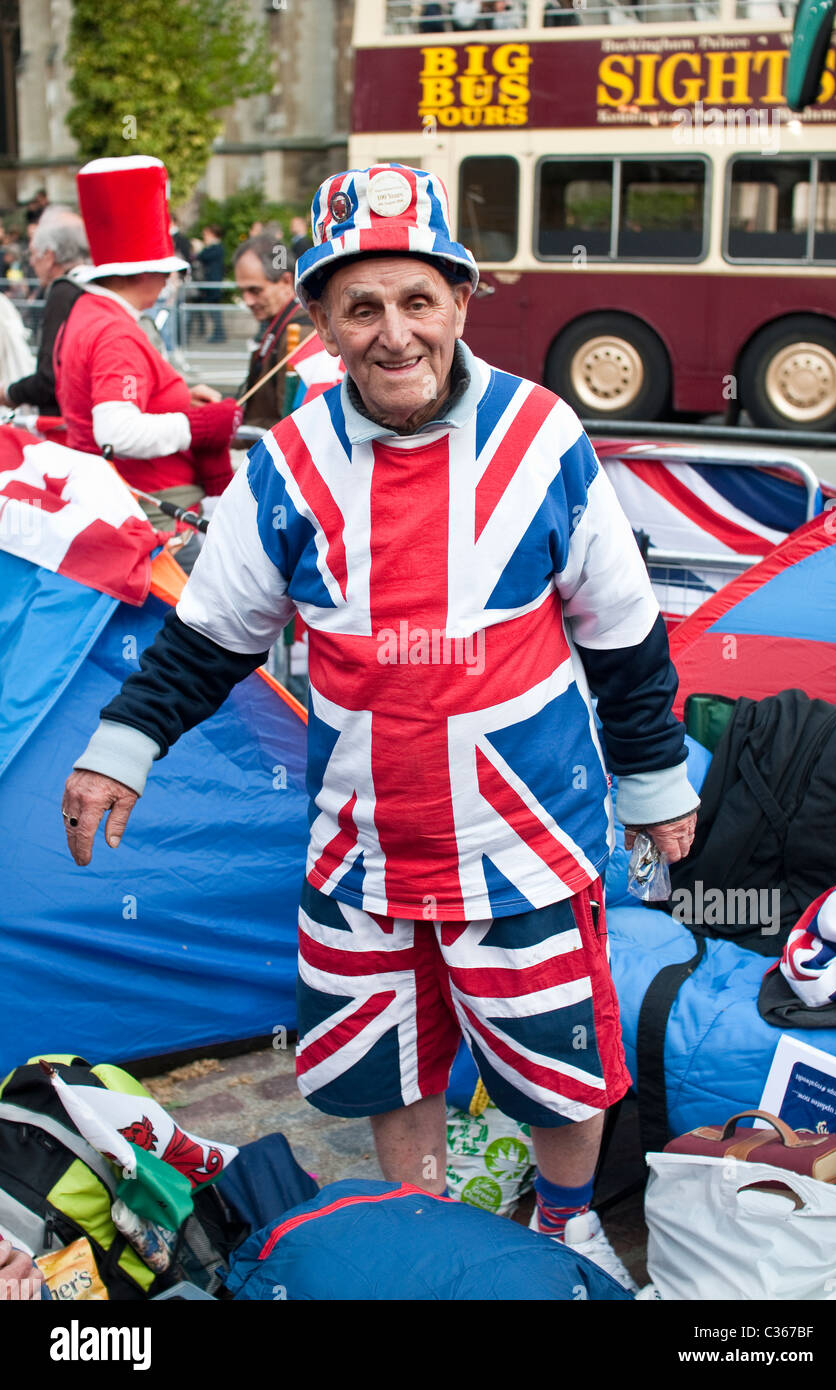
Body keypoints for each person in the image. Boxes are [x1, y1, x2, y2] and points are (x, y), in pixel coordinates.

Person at [61, 164, 698, 1290]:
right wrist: (124, 745)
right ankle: (418, 1219)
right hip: (358, 842)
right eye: (361, 307)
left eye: (416, 300)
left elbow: (623, 630)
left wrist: (654, 778)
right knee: (378, 1058)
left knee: (557, 1059)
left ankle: (566, 1222)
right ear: (320, 323)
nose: (393, 333)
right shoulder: (293, 457)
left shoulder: (543, 434)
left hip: (523, 834)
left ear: (458, 299)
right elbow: (212, 634)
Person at [53, 156, 240, 568]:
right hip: (158, 512)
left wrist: (178, 397)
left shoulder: (91, 315)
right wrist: (199, 426)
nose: (168, 281)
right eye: (165, 272)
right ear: (144, 274)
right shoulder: (114, 331)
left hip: (135, 501)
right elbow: (115, 431)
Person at [0, 206, 90, 415]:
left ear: (49, 256)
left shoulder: (64, 291)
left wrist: (9, 393)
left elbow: (50, 377)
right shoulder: (90, 285)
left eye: (33, 254)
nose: (31, 262)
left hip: (69, 420)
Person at [233, 233, 312, 430]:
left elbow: (291, 423)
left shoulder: (299, 332)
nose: (247, 301)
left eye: (255, 290)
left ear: (286, 282)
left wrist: (231, 429)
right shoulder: (282, 323)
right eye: (242, 291)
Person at [195, 225, 226, 343]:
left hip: (214, 283)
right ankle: (218, 333)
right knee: (213, 310)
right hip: (210, 283)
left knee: (215, 310)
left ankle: (219, 334)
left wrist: (200, 248)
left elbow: (202, 256)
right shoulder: (214, 248)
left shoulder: (216, 248)